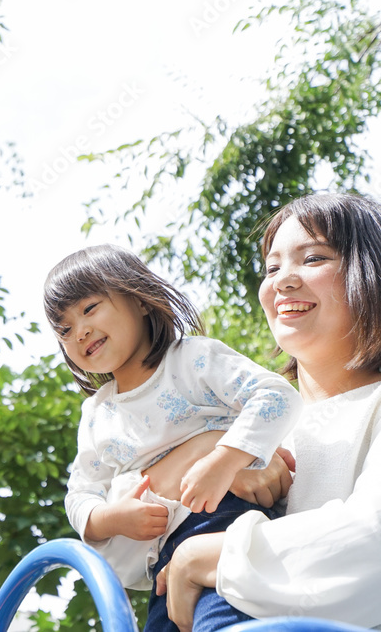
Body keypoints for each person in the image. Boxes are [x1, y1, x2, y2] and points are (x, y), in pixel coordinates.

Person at [150, 193, 381, 631]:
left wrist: (204, 557)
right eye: (272, 268)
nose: (282, 281)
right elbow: (123, 531)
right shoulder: (245, 432)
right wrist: (208, 450)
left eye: (313, 259)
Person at [44, 244, 303, 632]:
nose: (79, 332)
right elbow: (81, 494)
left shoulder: (190, 360)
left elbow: (276, 396)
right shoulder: (97, 413)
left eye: (90, 308)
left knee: (221, 622)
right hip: (165, 559)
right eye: (64, 330)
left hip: (228, 525)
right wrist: (109, 518)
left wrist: (224, 460)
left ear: (139, 300)